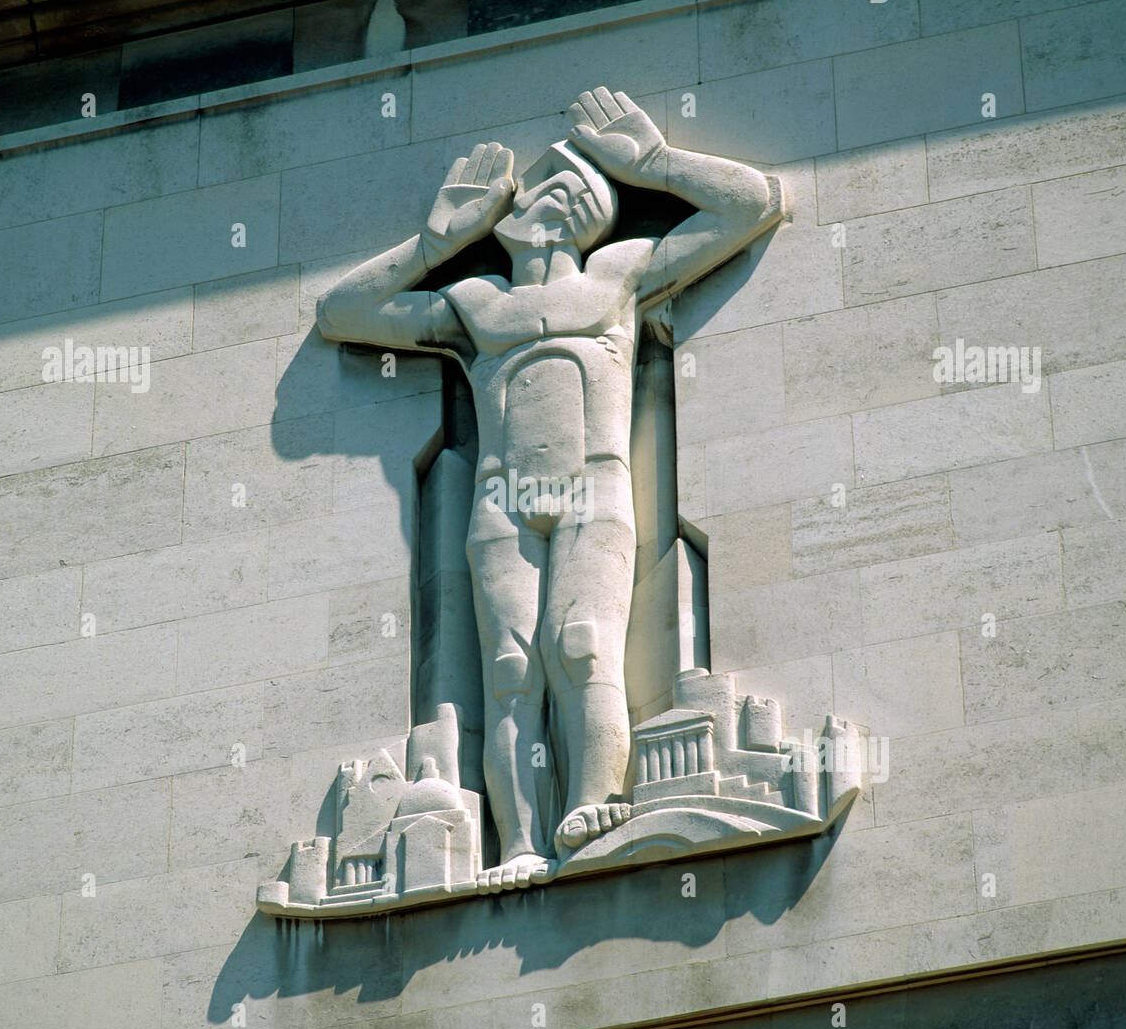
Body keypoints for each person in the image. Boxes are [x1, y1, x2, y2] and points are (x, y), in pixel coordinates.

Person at [319, 86, 782, 891]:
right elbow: (342, 311)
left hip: (592, 493)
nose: (532, 193)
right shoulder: (476, 303)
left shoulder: (619, 276)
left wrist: (655, 163)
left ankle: (598, 800)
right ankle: (523, 839)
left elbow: (752, 206)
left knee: (581, 645)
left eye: (559, 187)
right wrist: (435, 241)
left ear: (579, 213)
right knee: (508, 665)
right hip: (501, 503)